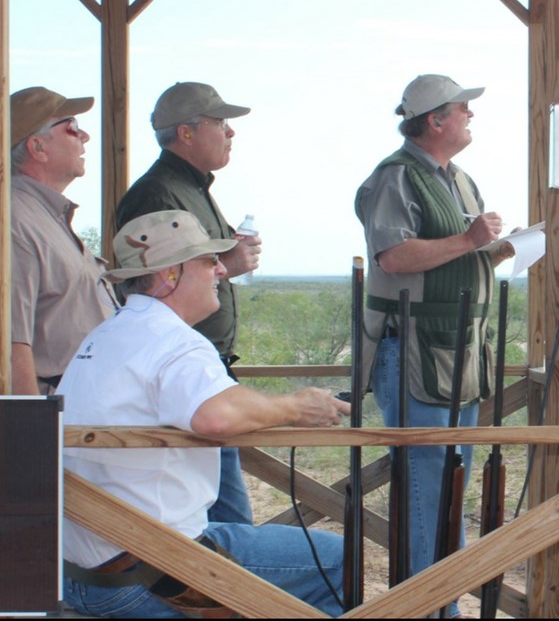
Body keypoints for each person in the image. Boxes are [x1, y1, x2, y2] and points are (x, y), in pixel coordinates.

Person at [59, 210, 349, 618]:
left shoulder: (105, 335)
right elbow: (216, 417)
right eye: (208, 261)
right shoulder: (172, 340)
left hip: (83, 573)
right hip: (150, 569)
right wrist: (297, 406)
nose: (220, 270)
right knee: (341, 558)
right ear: (170, 275)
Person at [354, 73, 515, 619]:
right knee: (429, 493)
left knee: (450, 490)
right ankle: (426, 610)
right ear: (435, 120)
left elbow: (452, 254)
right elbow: (394, 257)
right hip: (414, 355)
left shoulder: (460, 180)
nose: (471, 115)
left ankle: (441, 607)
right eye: (461, 108)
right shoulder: (394, 177)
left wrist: (494, 251)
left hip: (456, 356)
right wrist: (470, 240)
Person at [116, 82, 262, 525]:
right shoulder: (158, 194)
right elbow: (151, 284)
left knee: (218, 512)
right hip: (182, 374)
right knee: (226, 520)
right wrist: (228, 265)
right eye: (221, 122)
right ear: (186, 132)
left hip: (197, 369)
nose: (231, 132)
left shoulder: (188, 188)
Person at [7, 87, 118, 396]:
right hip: (58, 411)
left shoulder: (43, 215)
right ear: (37, 147)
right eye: (72, 127)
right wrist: (31, 424)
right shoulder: (14, 220)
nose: (85, 137)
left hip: (83, 406)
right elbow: (12, 343)